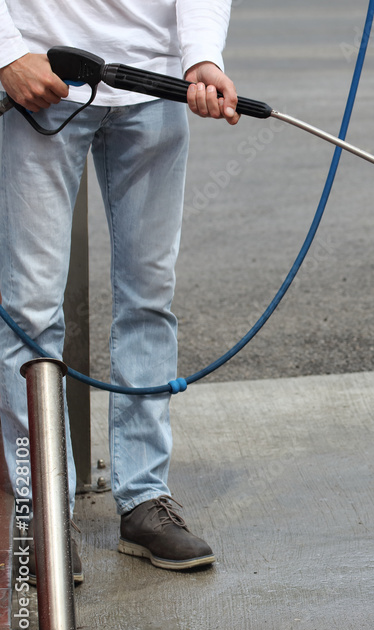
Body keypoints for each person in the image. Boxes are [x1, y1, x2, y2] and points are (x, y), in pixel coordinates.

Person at [0, 0, 240, 584]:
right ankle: (45, 509)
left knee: (150, 299)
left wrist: (202, 56)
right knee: (30, 311)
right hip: (43, 74)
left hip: (154, 85)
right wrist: (7, 53)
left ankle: (144, 498)